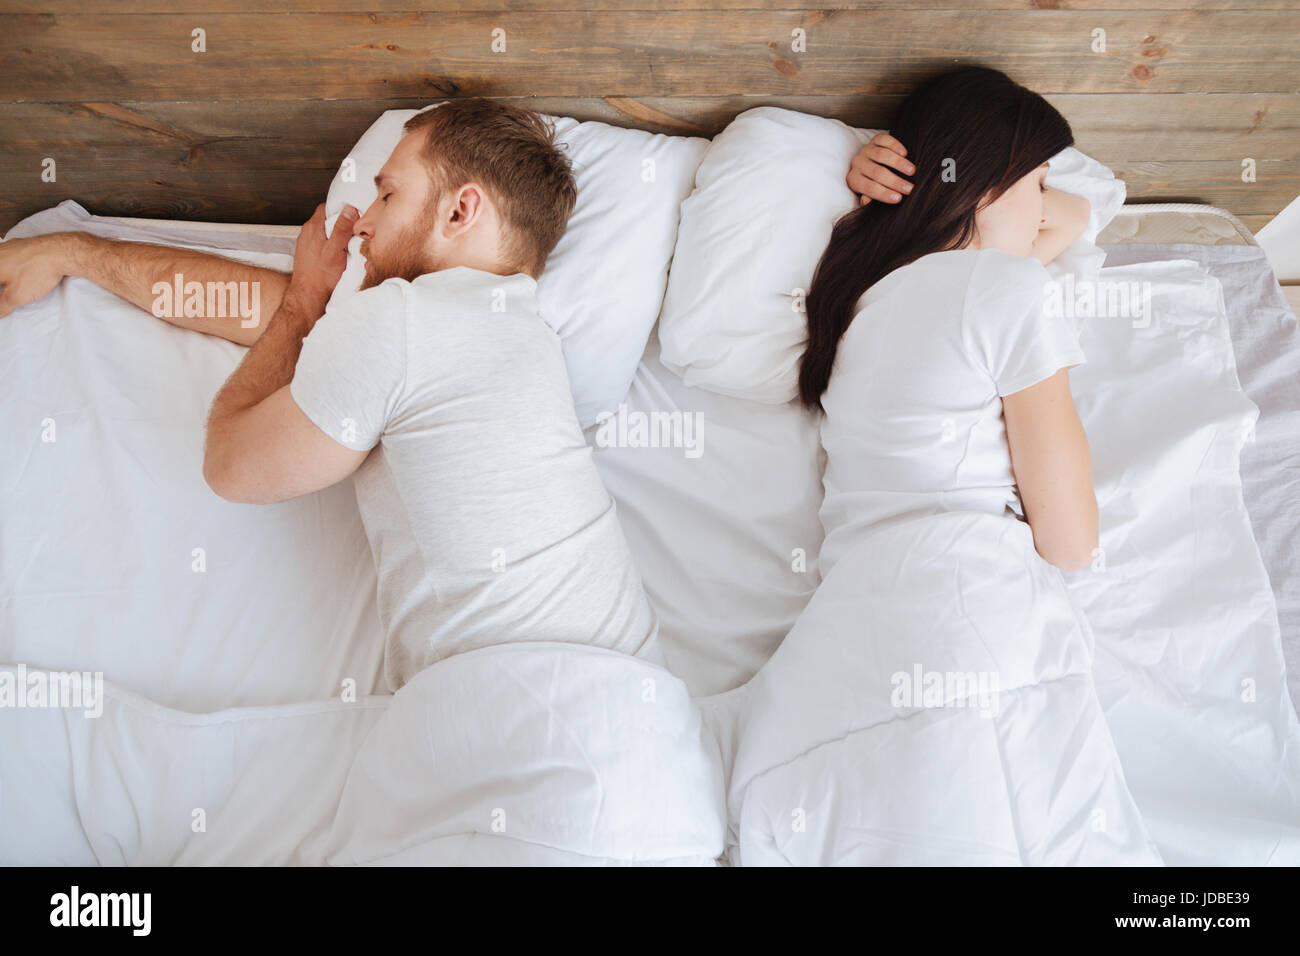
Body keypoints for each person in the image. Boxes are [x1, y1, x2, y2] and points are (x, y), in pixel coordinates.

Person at [0, 98, 662, 692]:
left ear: (460, 209)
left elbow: (231, 465)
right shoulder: (522, 338)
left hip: (540, 719)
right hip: (633, 699)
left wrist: (308, 298)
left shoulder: (404, 318)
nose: (363, 223)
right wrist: (71, 254)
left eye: (388, 196)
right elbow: (248, 310)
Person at [727, 66, 1160, 866]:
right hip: (960, 608)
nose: (1045, 206)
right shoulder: (1009, 289)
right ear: (990, 186)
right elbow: (1070, 544)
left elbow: (1067, 217)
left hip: (848, 625)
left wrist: (918, 177)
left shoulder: (859, 299)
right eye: (1034, 182)